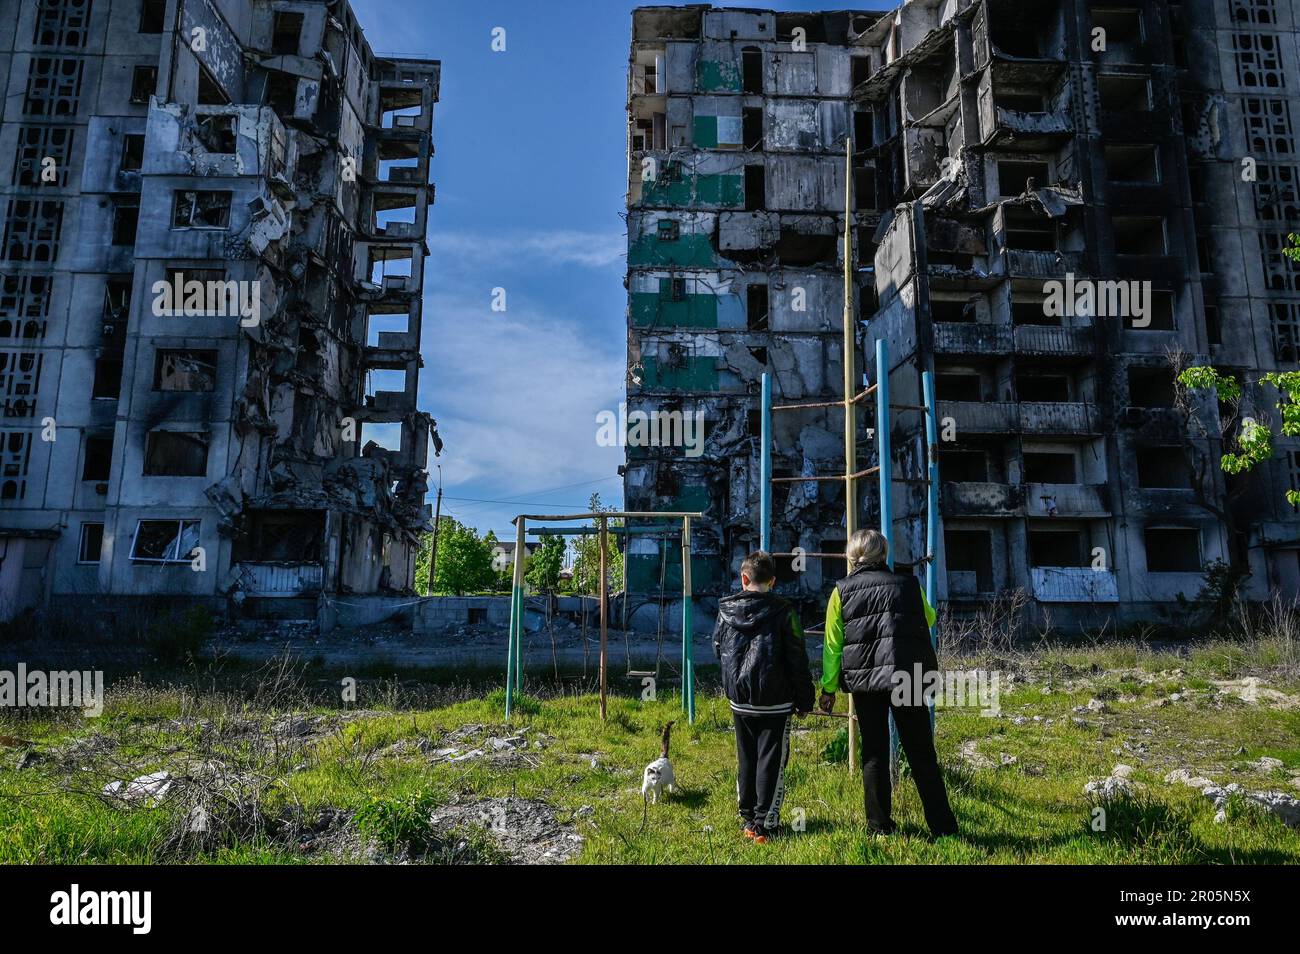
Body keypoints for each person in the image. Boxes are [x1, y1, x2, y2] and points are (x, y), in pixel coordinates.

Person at [819, 529, 958, 837]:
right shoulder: (908, 584)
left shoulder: (841, 591)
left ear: (852, 556)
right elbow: (929, 618)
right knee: (921, 752)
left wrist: (828, 688)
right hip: (906, 676)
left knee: (874, 752)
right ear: (883, 554)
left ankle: (879, 827)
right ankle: (943, 828)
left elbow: (832, 644)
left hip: (866, 681)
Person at [713, 550, 815, 844]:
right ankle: (764, 824)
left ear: (743, 578)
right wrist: (805, 699)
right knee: (771, 760)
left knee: (746, 757)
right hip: (776, 700)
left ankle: (747, 819)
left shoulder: (726, 610)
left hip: (740, 700)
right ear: (773, 581)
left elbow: (718, 648)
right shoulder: (785, 611)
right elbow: (797, 658)